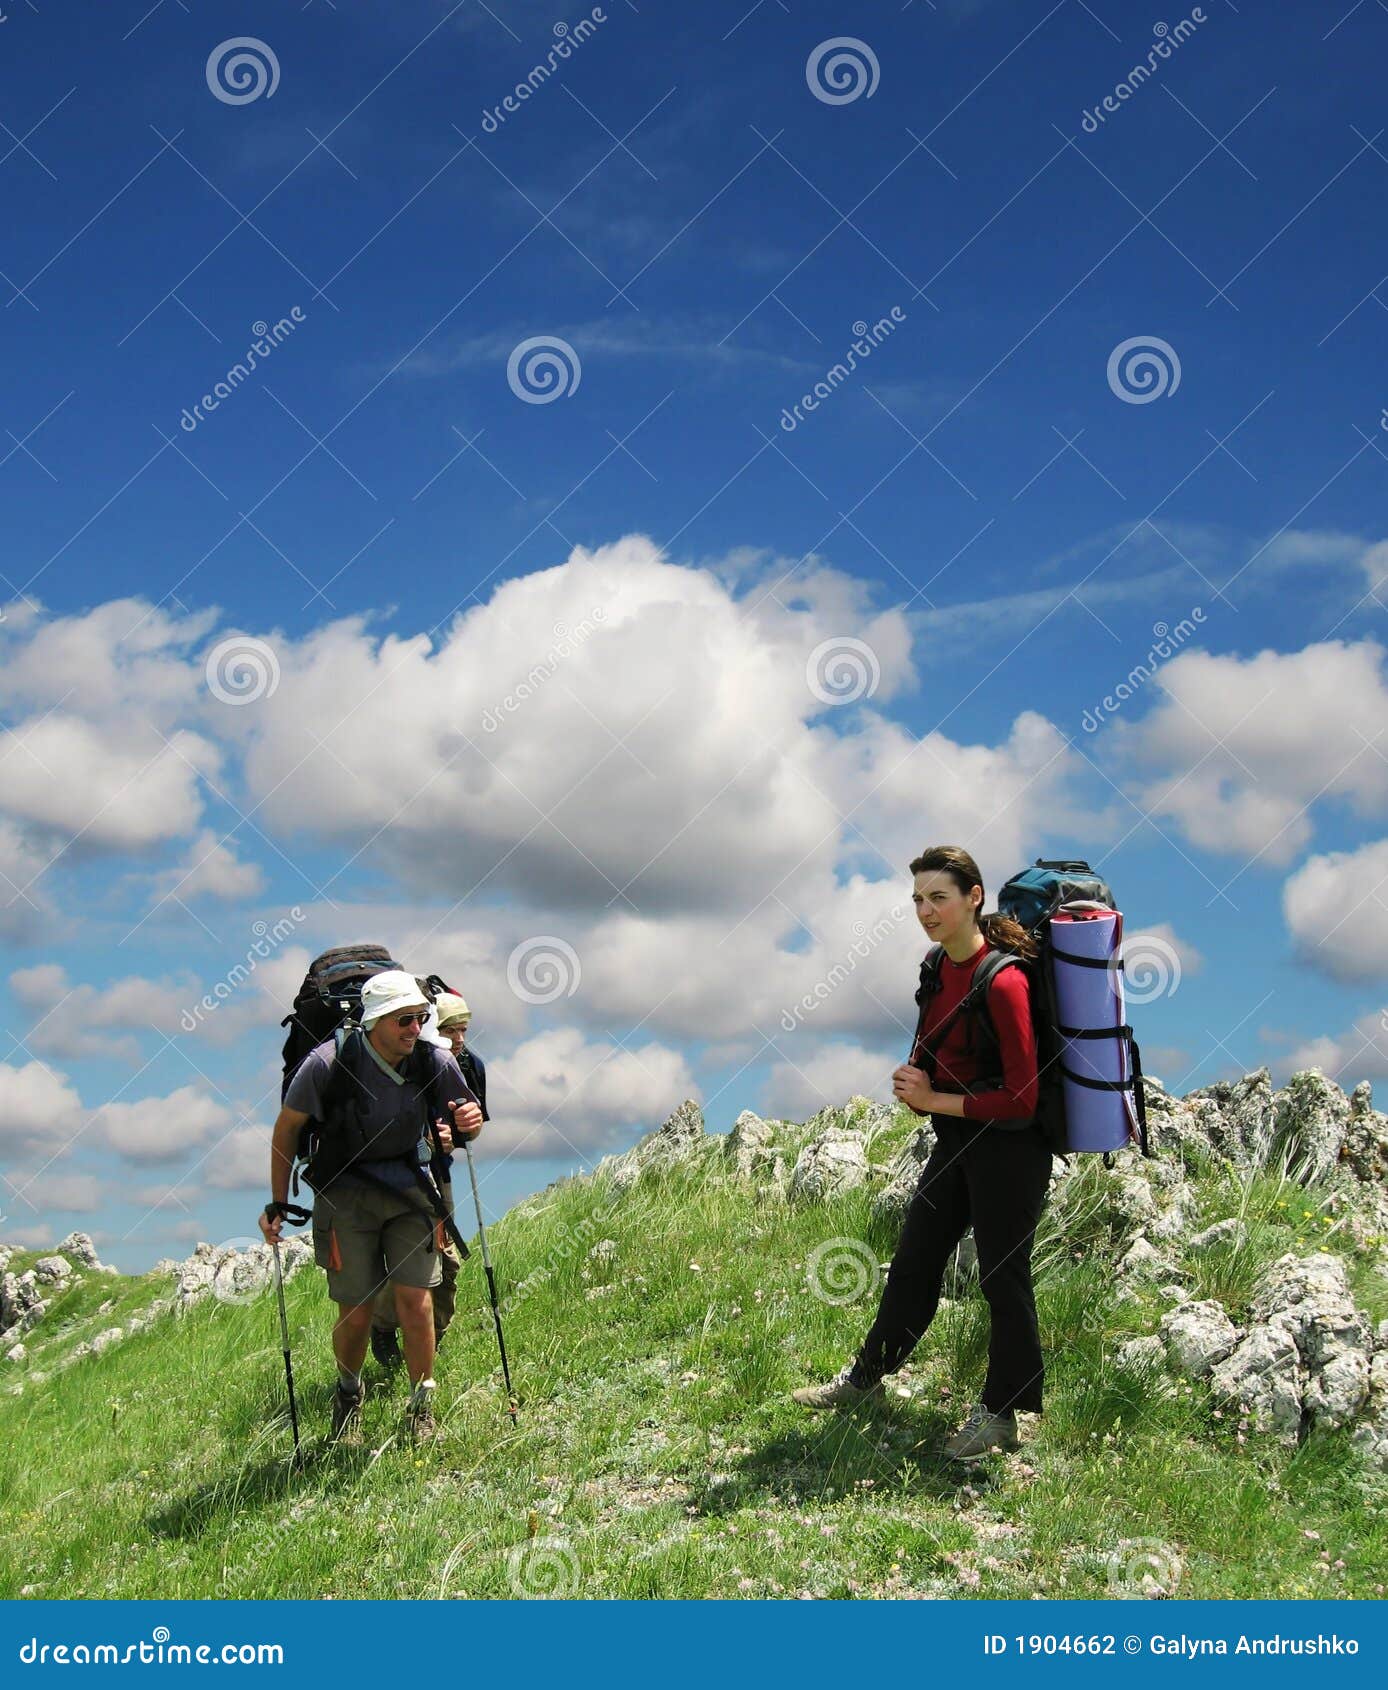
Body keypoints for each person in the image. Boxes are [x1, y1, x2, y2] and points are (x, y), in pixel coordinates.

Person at [792, 845, 1050, 1460]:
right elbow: (932, 1055)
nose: (926, 911)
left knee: (1000, 1278)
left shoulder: (1006, 980)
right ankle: (864, 1382)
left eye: (939, 897)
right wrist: (919, 1090)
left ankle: (1002, 1416)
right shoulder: (937, 968)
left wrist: (936, 1100)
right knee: (914, 1262)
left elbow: (1022, 1099)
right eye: (917, 899)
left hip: (1011, 1151)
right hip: (956, 1143)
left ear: (974, 899)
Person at [258, 970, 483, 1443]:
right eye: (405, 1019)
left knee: (416, 1302)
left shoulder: (433, 1061)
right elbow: (286, 1130)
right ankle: (347, 1395)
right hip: (345, 1195)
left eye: (421, 1018)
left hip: (410, 1193)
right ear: (376, 1020)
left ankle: (421, 1407)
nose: (415, 1028)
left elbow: (469, 1125)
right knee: (355, 1310)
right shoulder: (327, 1063)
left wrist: (469, 1120)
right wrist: (279, 1201)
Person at [370, 991, 489, 1366]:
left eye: (463, 1030)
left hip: (441, 1176)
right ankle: (385, 1325)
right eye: (449, 1031)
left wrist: (460, 1134)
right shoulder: (410, 1064)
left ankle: (428, 1347)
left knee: (446, 1264)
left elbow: (473, 1130)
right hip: (399, 1180)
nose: (458, 1040)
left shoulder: (470, 1066)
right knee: (410, 1266)